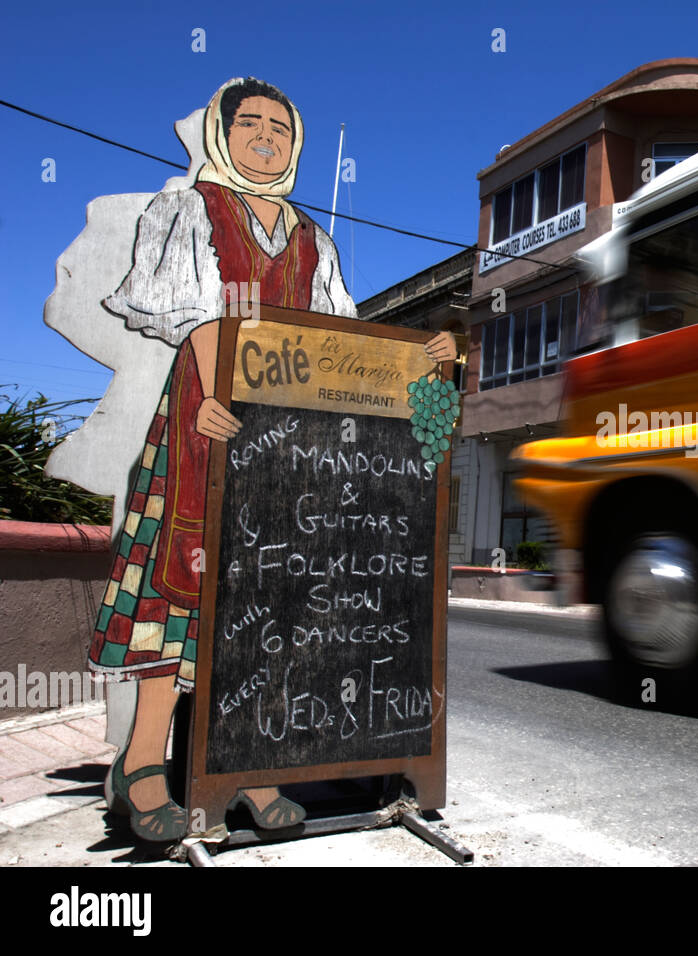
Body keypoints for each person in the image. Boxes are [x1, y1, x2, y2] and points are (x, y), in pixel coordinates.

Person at [87, 77, 454, 841]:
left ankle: (247, 764)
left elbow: (340, 346)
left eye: (279, 130)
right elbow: (182, 321)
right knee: (180, 589)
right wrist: (209, 399)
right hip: (204, 420)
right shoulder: (188, 212)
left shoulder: (313, 240)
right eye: (249, 124)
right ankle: (143, 763)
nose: (265, 139)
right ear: (223, 136)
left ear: (295, 146)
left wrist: (426, 362)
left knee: (268, 594)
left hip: (284, 443)